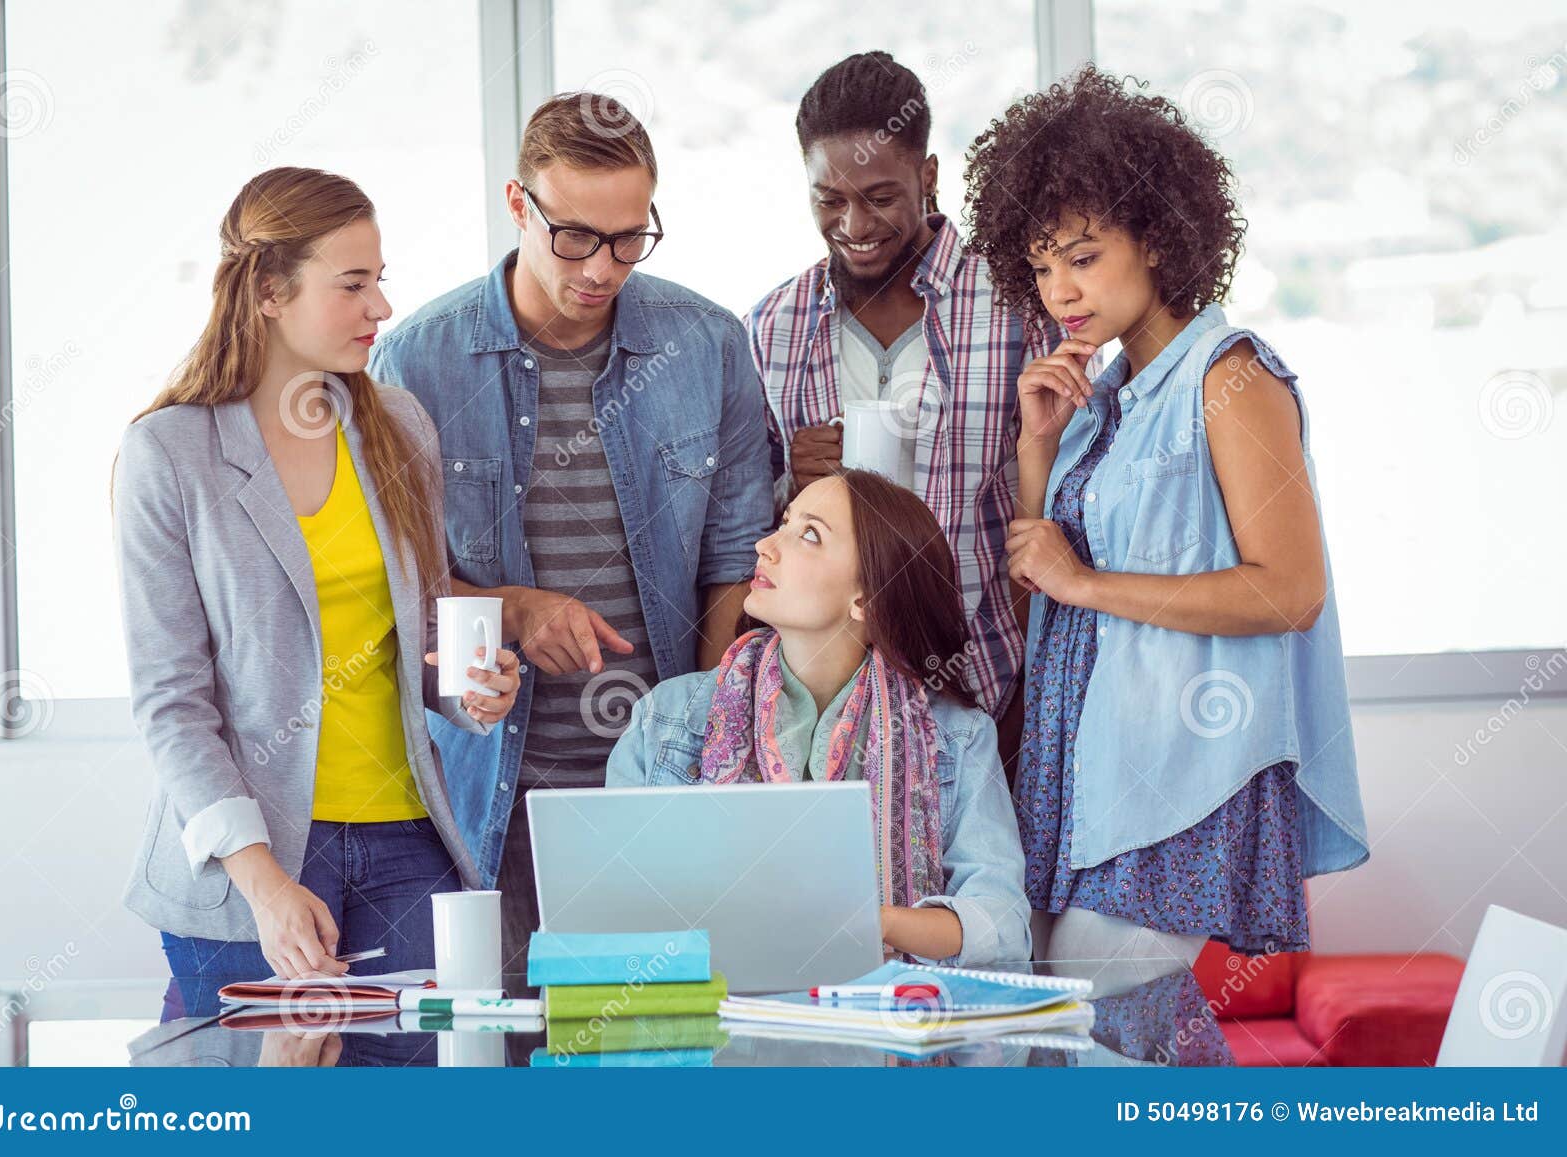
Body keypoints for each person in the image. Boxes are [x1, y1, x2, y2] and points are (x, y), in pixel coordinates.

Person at [962, 66, 1369, 975]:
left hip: (1174, 773)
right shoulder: (1105, 398)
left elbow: (1291, 590)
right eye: (1040, 266)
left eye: (1082, 254)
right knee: (1063, 1043)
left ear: (1156, 237)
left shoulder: (1230, 377)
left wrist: (1087, 581)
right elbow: (1044, 579)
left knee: (1102, 1041)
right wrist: (1037, 453)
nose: (1060, 289)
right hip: (1074, 771)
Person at [369, 94, 773, 990]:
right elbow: (399, 594)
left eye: (631, 238)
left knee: (672, 1063)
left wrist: (702, 742)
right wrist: (514, 609)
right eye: (576, 237)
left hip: (668, 793)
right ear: (519, 206)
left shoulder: (707, 344)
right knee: (512, 1075)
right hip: (498, 800)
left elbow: (735, 564)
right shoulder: (416, 363)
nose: (604, 267)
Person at [113, 167, 520, 984]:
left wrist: (472, 691)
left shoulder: (399, 427)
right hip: (248, 864)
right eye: (353, 284)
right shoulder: (169, 453)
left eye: (381, 280)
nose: (382, 307)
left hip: (409, 842)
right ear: (269, 292)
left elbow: (422, 638)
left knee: (419, 1107)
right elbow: (172, 703)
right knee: (262, 1110)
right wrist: (265, 884)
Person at [746, 51, 1068, 765]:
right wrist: (789, 481)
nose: (854, 223)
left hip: (993, 696)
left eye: (882, 196)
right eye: (829, 199)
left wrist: (1023, 701)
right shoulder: (772, 328)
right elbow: (744, 531)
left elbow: (1064, 509)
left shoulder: (1022, 306)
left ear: (928, 178)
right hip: (830, 717)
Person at [607, 469, 1032, 967]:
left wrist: (868, 921)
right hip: (712, 1035)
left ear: (866, 599)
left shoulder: (957, 736)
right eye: (783, 523)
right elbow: (610, 914)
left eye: (808, 534)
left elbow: (1002, 925)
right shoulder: (666, 719)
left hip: (882, 1033)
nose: (766, 544)